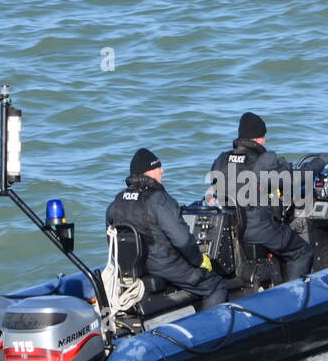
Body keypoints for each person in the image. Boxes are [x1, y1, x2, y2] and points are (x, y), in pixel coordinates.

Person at [106, 148, 229, 311]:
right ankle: (210, 329)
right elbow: (183, 240)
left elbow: (112, 237)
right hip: (165, 265)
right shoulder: (159, 200)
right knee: (216, 285)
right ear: (149, 171)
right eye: (158, 167)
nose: (162, 170)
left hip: (134, 267)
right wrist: (198, 260)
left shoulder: (117, 202)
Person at [209, 112, 313, 280]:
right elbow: (296, 179)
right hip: (257, 228)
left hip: (229, 228)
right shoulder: (265, 159)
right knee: (301, 251)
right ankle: (293, 295)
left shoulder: (221, 159)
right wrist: (318, 163)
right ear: (259, 139)